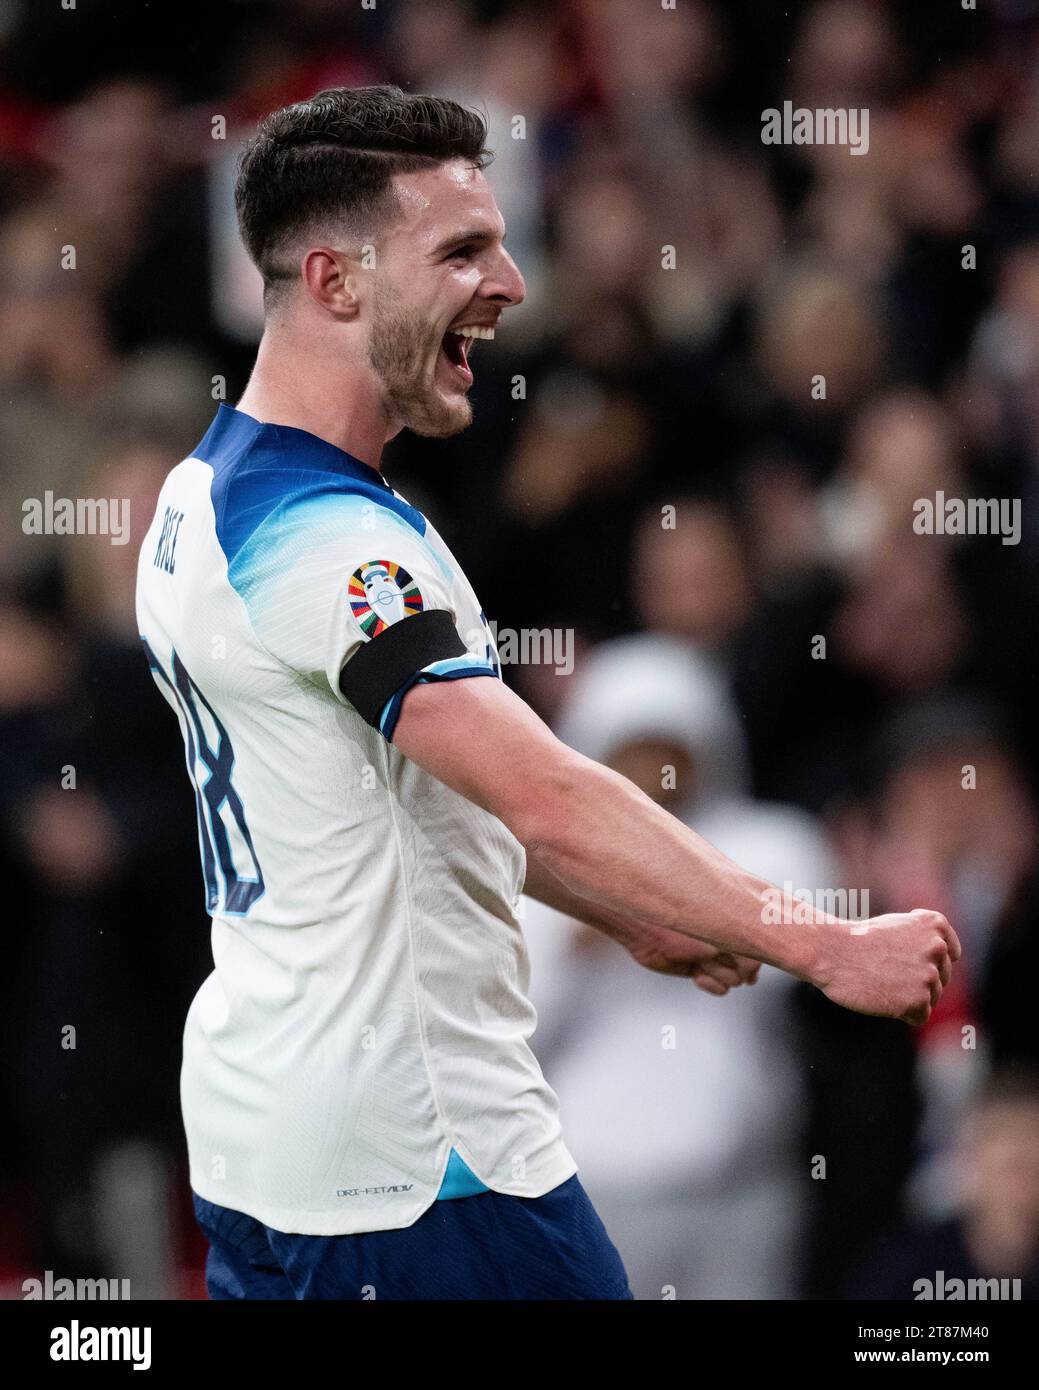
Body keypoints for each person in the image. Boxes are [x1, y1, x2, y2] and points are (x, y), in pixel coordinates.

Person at [135, 84, 960, 1301]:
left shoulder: (194, 499)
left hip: (268, 1147)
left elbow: (401, 801)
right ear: (335, 280)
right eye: (461, 249)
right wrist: (820, 941)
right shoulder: (331, 545)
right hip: (422, 1164)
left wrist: (627, 910)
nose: (513, 281)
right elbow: (544, 790)